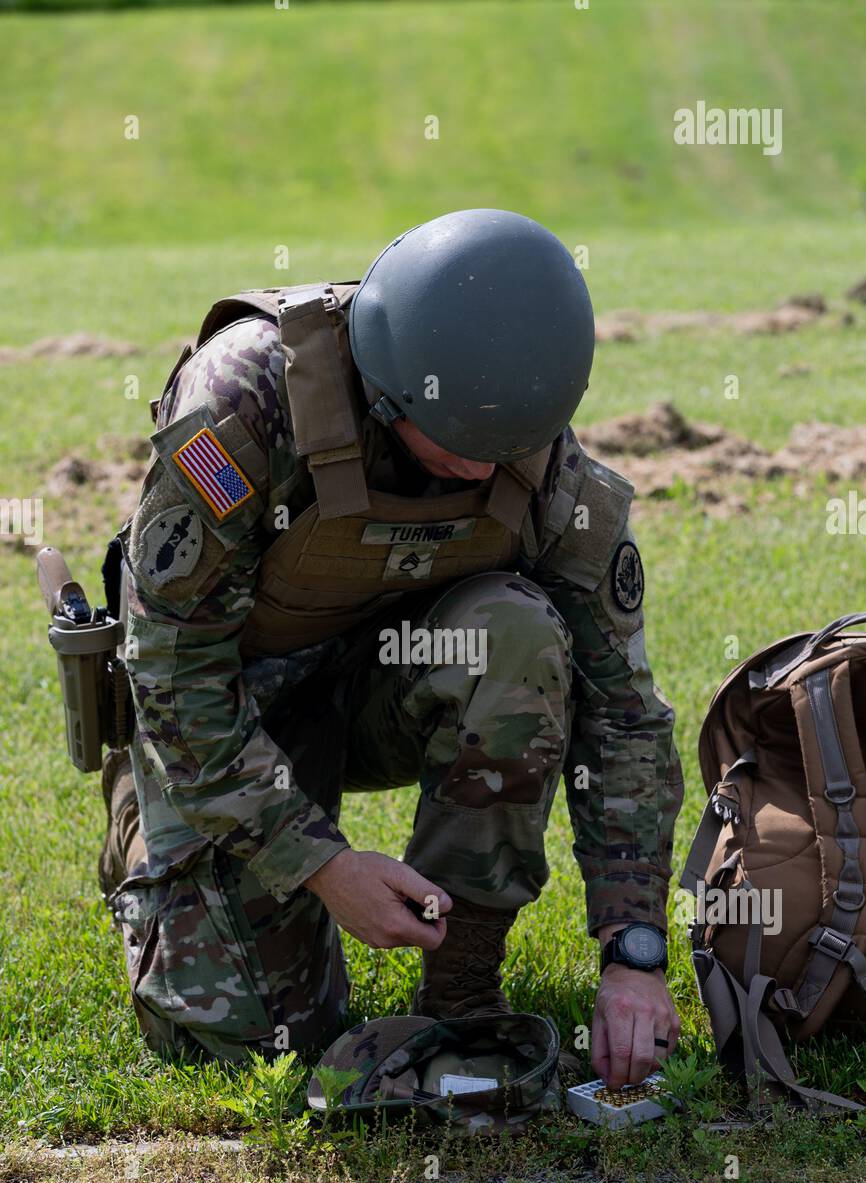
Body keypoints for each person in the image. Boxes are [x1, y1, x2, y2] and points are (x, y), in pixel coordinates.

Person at [101, 207, 683, 1088]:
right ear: (392, 389)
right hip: (241, 708)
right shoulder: (247, 403)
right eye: (463, 449)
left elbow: (626, 714)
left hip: (388, 690)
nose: (488, 472)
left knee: (520, 633)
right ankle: (149, 827)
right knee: (246, 1044)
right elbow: (174, 672)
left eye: (509, 449)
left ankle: (461, 983)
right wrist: (322, 864)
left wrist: (634, 951)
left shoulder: (525, 444)